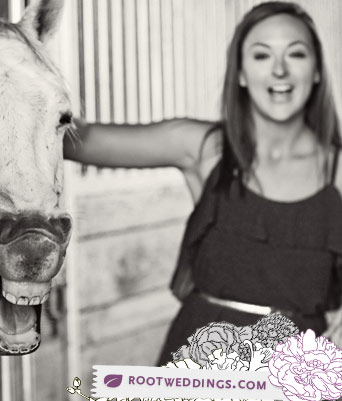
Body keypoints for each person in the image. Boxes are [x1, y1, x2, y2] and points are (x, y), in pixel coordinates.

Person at [65, 1, 342, 365]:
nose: (279, 70)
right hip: (198, 368)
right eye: (261, 56)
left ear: (317, 70)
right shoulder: (205, 149)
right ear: (240, 73)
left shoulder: (338, 168)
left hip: (298, 375)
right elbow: (75, 140)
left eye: (296, 54)